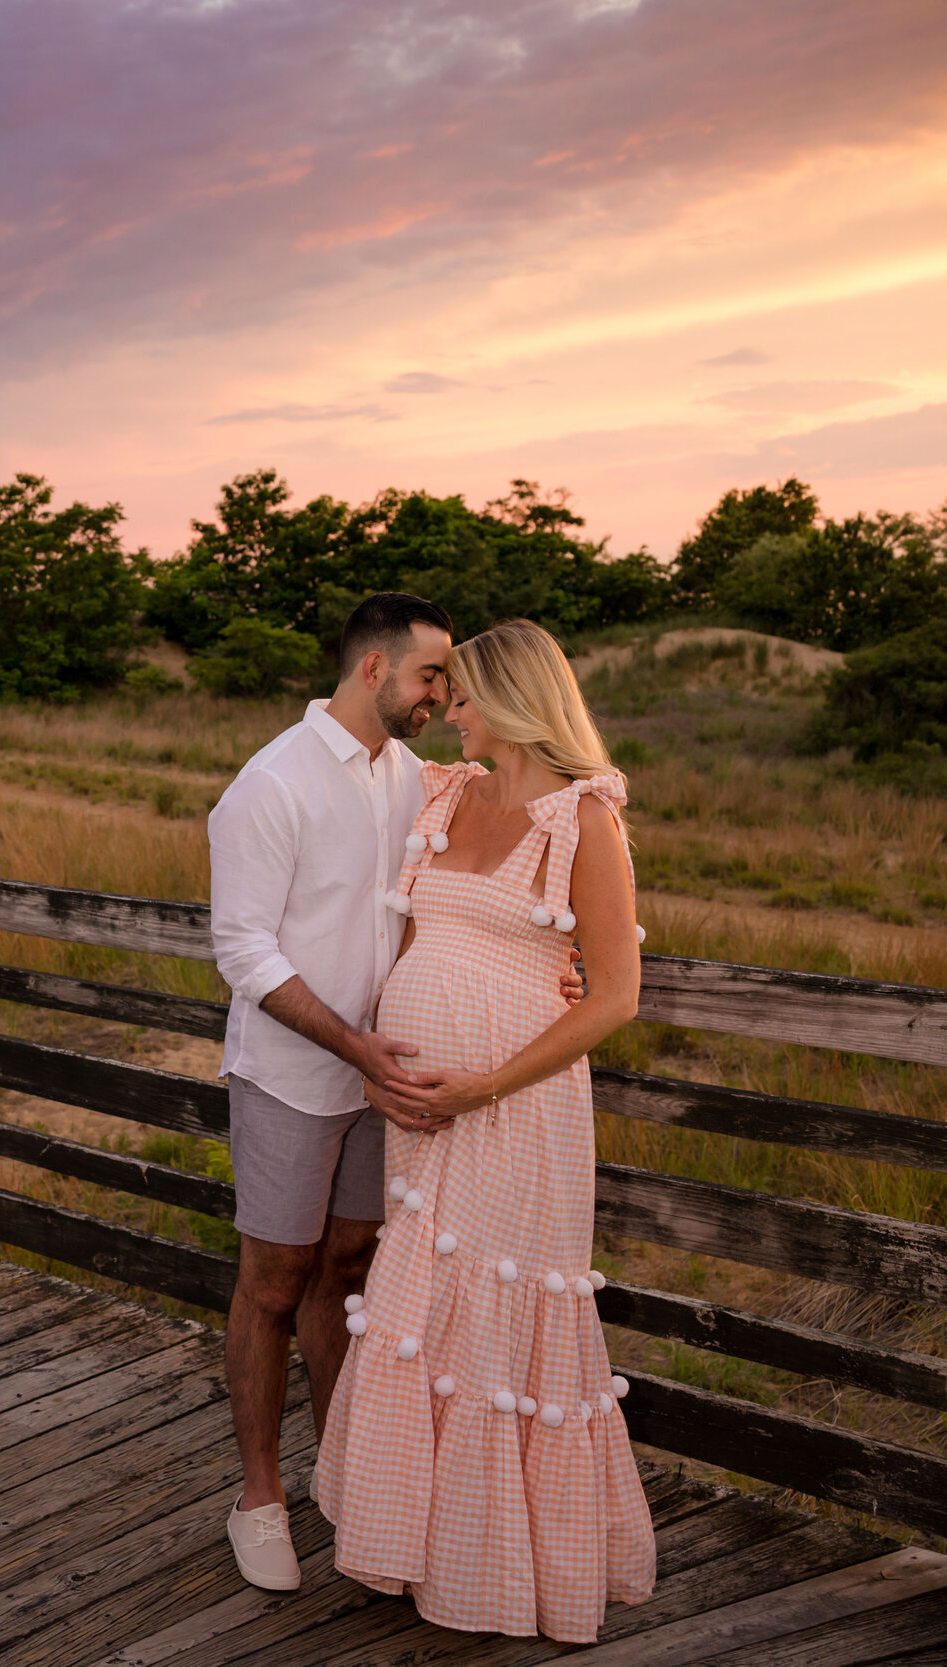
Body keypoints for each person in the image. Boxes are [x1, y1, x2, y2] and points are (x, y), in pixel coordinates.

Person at [311, 618, 657, 1642]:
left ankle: (497, 1563)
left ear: (507, 700)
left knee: (491, 1307)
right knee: (420, 1303)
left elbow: (614, 995)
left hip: (515, 1103)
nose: (443, 710)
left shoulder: (582, 819)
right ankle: (416, 1543)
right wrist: (380, 1058)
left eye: (459, 696)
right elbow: (412, 926)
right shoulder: (443, 792)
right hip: (421, 1099)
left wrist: (487, 1081)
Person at [207, 592, 457, 1594]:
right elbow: (242, 948)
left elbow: (472, 886)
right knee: (275, 1278)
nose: (442, 692)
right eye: (430, 673)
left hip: (381, 1075)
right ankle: (257, 1495)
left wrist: (559, 962)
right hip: (294, 1071)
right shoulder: (270, 783)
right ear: (372, 670)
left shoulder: (417, 779)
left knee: (349, 1265)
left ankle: (342, 1469)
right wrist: (351, 1042)